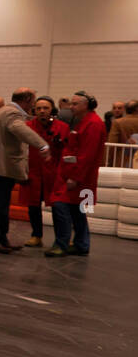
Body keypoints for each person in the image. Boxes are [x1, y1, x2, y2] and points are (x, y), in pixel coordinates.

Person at [0, 88, 49, 254]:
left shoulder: (2, 111)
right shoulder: (12, 114)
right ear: (26, 99)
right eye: (33, 100)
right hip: (3, 166)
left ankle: (1, 238)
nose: (34, 104)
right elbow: (20, 130)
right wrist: (42, 144)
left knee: (0, 203)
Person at [45, 91, 107, 257]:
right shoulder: (83, 122)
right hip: (74, 174)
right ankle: (81, 244)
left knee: (60, 206)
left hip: (77, 176)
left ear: (86, 105)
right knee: (76, 210)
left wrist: (75, 178)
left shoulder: (93, 124)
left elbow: (88, 155)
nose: (71, 107)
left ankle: (61, 244)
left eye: (74, 104)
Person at [22, 96, 68, 247]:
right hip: (33, 172)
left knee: (58, 208)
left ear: (52, 110)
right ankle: (36, 235)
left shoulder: (62, 127)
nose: (42, 111)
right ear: (34, 110)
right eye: (39, 108)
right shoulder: (27, 126)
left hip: (54, 174)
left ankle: (60, 238)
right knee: (33, 206)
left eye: (45, 108)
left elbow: (66, 152)